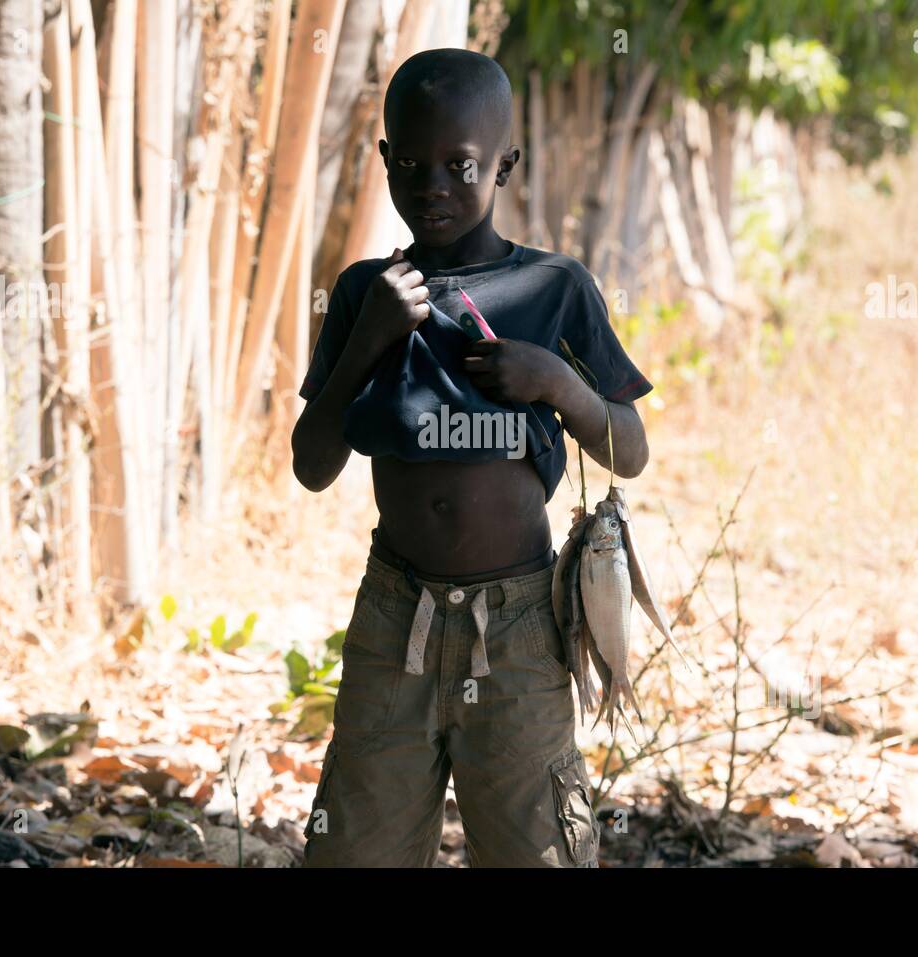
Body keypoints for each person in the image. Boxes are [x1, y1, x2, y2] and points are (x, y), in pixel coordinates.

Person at [290, 47, 654, 867]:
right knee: (357, 849)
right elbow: (311, 464)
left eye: (460, 165)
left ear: (506, 165)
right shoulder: (365, 294)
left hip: (521, 627)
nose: (433, 188)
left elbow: (627, 449)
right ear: (384, 160)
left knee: (539, 851)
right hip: (397, 621)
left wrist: (557, 380)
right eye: (411, 164)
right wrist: (367, 344)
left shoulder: (554, 289)